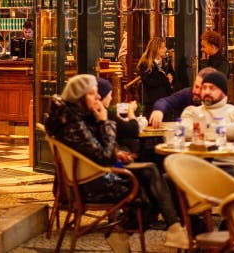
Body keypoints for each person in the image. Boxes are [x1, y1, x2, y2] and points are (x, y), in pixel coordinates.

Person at [44, 74, 188, 252]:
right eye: (92, 93)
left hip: (90, 178)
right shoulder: (73, 122)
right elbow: (105, 157)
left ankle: (165, 229)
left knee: (152, 175)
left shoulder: (70, 116)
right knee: (150, 185)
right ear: (79, 97)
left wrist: (116, 153)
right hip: (93, 185)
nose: (98, 97)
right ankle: (160, 229)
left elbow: (90, 150)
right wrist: (105, 122)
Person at [180, 69, 234, 176]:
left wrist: (202, 132)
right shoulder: (192, 111)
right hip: (195, 166)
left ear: (223, 92)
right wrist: (224, 134)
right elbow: (184, 130)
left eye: (212, 88)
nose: (207, 92)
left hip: (227, 167)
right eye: (204, 88)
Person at [97, 77, 147, 155]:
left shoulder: (98, 112)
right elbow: (133, 130)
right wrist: (131, 110)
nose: (111, 98)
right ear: (102, 96)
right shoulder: (103, 113)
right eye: (109, 95)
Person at [137, 37, 174, 117]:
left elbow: (172, 77)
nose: (166, 49)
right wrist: (165, 79)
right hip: (153, 103)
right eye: (163, 47)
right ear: (156, 49)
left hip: (166, 101)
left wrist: (171, 79)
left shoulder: (166, 63)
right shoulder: (145, 64)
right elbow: (148, 82)